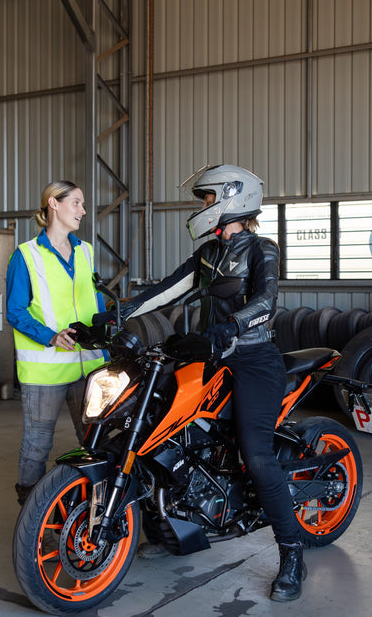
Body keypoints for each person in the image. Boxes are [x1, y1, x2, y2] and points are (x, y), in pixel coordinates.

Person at [99, 164, 306, 602]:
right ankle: (168, 523)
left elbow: (267, 302)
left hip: (253, 358)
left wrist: (232, 326)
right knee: (164, 426)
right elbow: (164, 290)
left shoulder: (261, 249)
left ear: (234, 200)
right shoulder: (209, 254)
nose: (204, 208)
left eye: (209, 199)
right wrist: (117, 312)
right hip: (209, 353)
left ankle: (292, 551)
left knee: (256, 453)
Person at [6, 180, 106, 506]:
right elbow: (15, 311)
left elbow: (95, 304)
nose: (83, 210)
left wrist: (110, 342)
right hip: (46, 370)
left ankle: (97, 513)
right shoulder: (26, 255)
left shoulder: (86, 251)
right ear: (53, 203)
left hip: (88, 365)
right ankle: (33, 519)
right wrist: (50, 336)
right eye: (76, 203)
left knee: (94, 440)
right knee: (37, 444)